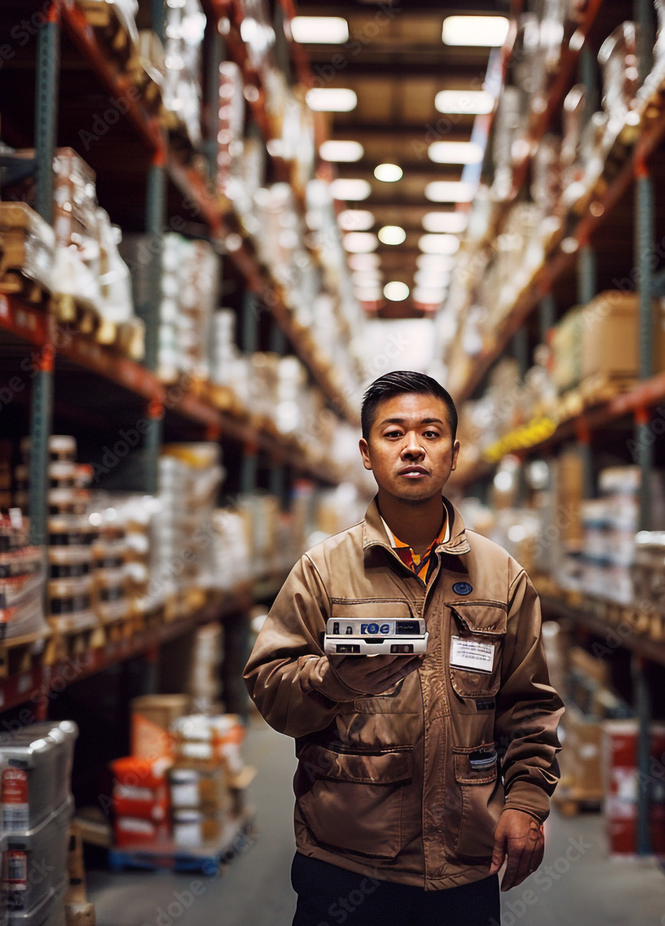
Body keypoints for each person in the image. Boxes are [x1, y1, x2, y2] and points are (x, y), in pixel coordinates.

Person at [243, 370, 563, 926]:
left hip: (464, 862)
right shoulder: (322, 571)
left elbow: (530, 707)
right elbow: (271, 692)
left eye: (430, 433)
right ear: (367, 453)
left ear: (455, 452)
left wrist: (526, 804)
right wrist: (332, 680)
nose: (413, 447)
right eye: (394, 434)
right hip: (346, 859)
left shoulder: (501, 577)